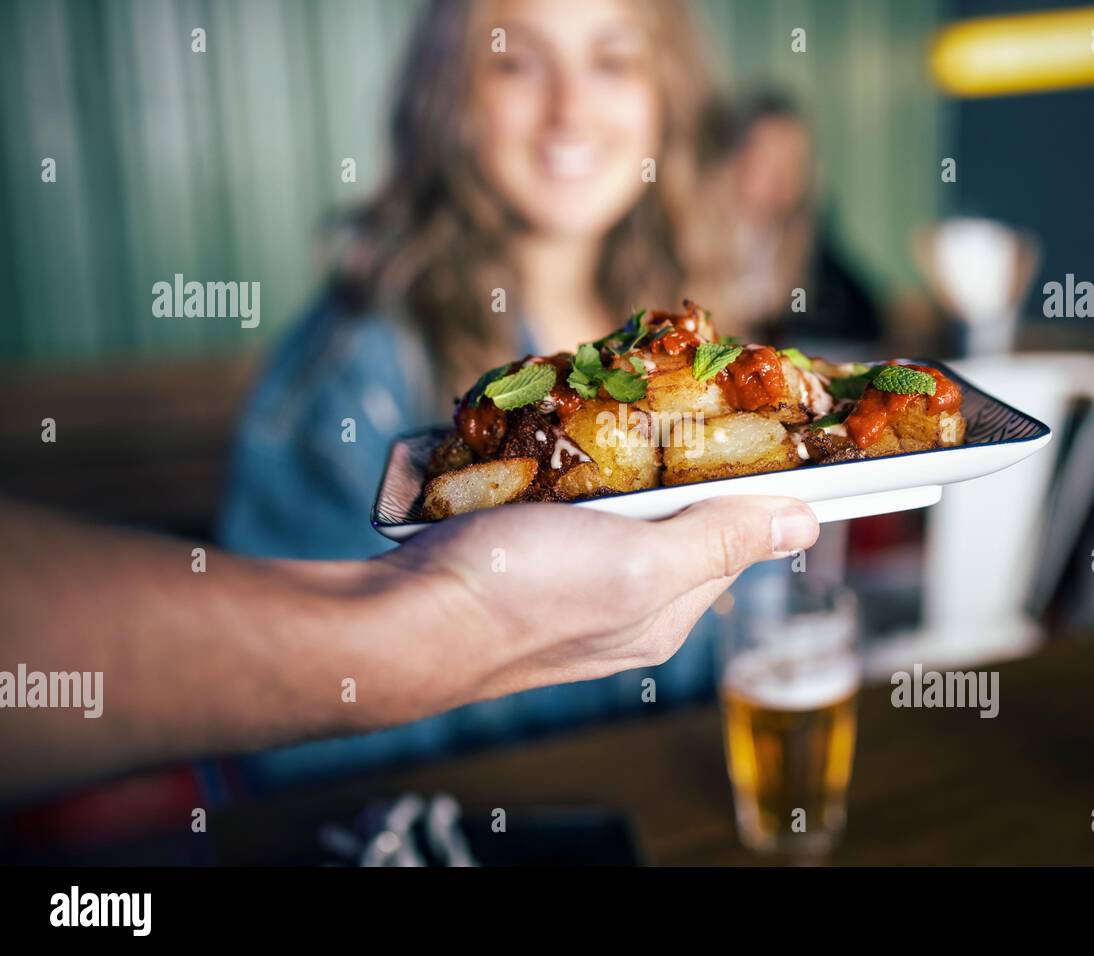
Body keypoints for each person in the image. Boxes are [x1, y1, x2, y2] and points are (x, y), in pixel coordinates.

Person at [215, 0, 744, 788]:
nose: (571, 109)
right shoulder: (356, 366)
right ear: (449, 100)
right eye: (517, 62)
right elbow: (281, 727)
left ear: (665, 95)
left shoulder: (682, 341)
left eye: (612, 60)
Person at [0, 495, 819, 802]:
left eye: (618, 94)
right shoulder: (354, 367)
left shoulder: (709, 339)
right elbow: (303, 787)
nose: (570, 108)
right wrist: (455, 617)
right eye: (520, 93)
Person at [705, 90, 883, 348]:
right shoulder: (692, 236)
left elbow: (863, 318)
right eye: (767, 160)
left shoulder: (806, 237)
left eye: (793, 162)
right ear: (731, 159)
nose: (782, 177)